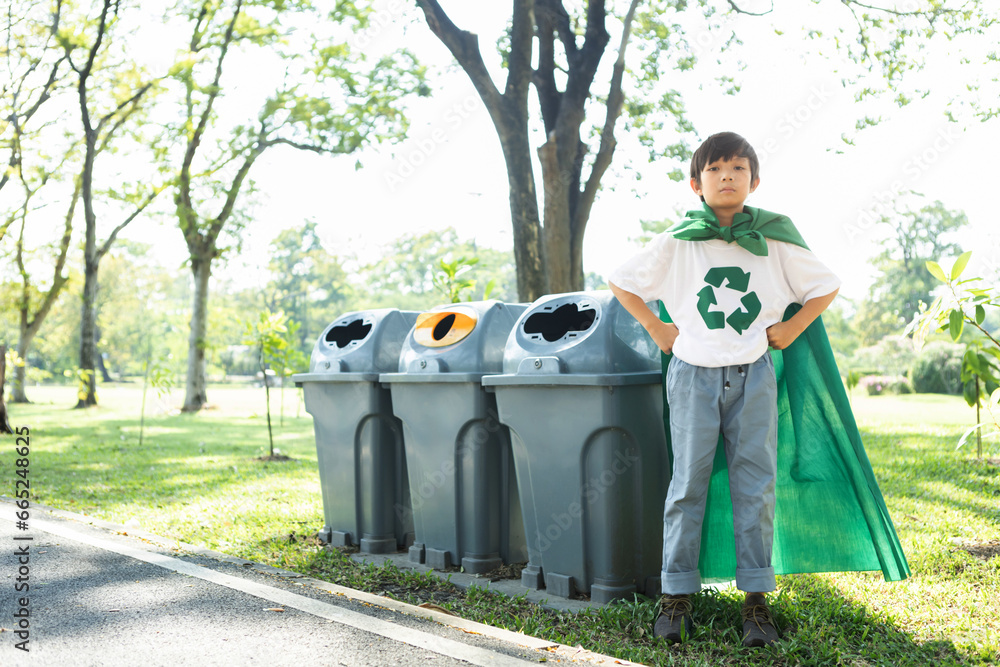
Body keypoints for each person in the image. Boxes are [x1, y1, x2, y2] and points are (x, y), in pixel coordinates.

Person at [608, 131, 840, 647]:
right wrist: (657, 328)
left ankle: (755, 601)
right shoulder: (679, 241)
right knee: (687, 485)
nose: (726, 176)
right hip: (692, 374)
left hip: (753, 374)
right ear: (696, 183)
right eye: (714, 169)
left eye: (737, 168)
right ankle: (676, 596)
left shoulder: (775, 239)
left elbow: (824, 285)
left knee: (755, 486)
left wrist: (793, 327)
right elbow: (622, 280)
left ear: (754, 181)